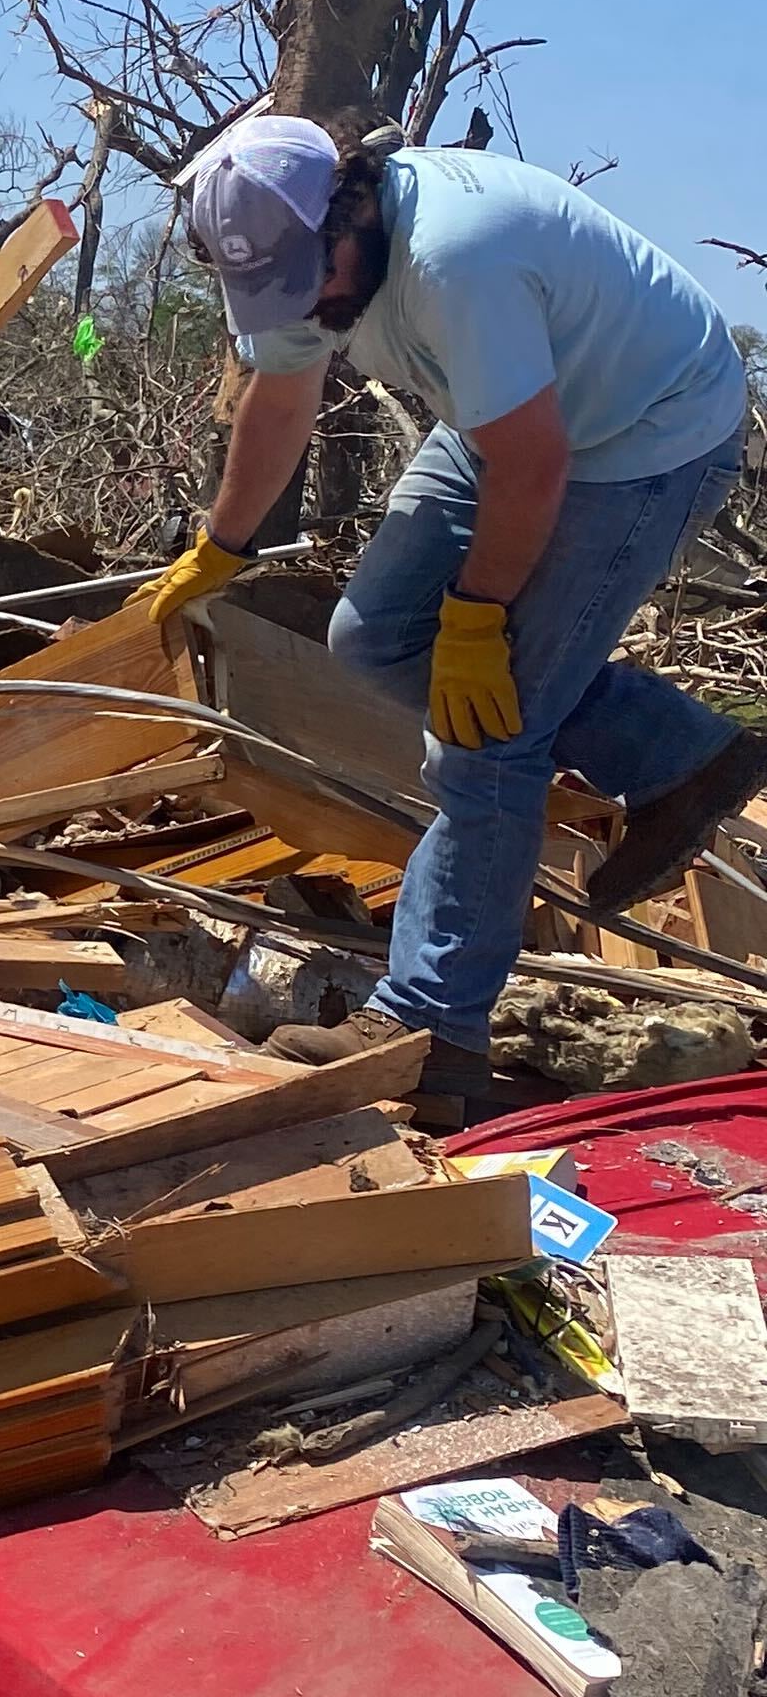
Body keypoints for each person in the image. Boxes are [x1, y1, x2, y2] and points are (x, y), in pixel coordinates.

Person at [142, 118, 764, 1104]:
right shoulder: (303, 250)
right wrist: (223, 543)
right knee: (371, 634)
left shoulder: (457, 256)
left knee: (488, 738)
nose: (312, 304)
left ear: (352, 204)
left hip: (647, 432)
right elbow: (282, 389)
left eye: (317, 276)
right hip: (513, 422)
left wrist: (479, 621)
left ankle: (434, 1036)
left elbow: (535, 467)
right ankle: (677, 753)